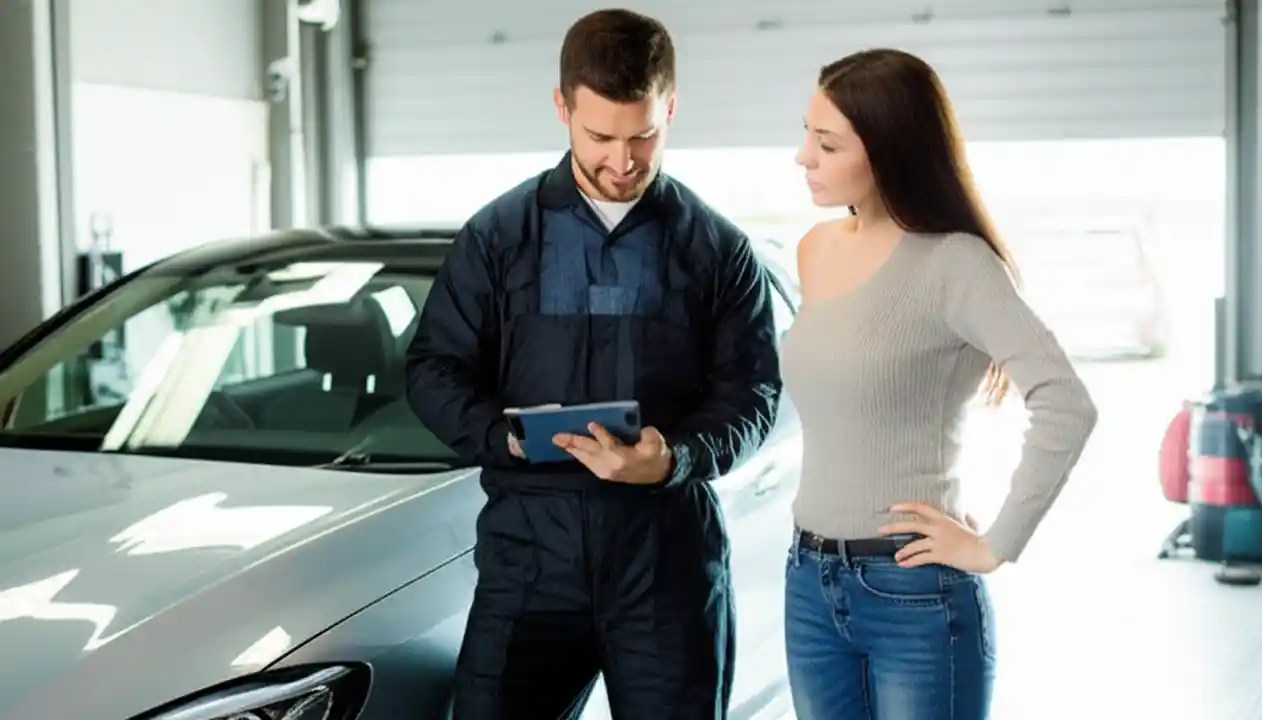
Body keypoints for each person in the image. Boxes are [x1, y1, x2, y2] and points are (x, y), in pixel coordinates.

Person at [404, 9, 782, 720]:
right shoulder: (496, 238)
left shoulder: (717, 251)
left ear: (671, 107)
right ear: (562, 107)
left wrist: (676, 455)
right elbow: (432, 369)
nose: (622, 160)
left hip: (665, 565)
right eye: (600, 136)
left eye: (644, 135)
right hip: (527, 561)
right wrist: (504, 435)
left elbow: (753, 393)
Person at [781, 48, 1098, 720]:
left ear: (890, 150)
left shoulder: (956, 263)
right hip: (809, 583)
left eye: (827, 143)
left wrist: (995, 544)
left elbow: (1066, 403)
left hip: (913, 596)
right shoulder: (814, 249)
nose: (803, 157)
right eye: (807, 132)